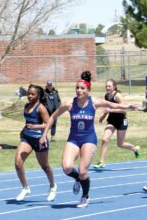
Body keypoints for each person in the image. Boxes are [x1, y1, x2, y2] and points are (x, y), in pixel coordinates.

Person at [39, 71, 138, 208]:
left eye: (82, 88)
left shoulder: (94, 102)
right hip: (73, 139)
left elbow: (112, 105)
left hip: (89, 139)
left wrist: (127, 107)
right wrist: (44, 134)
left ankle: (85, 196)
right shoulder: (69, 104)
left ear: (88, 90)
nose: (79, 91)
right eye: (77, 88)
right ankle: (79, 179)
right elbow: (53, 117)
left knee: (83, 170)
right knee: (67, 168)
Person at [15, 84, 57, 202]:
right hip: (27, 138)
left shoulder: (41, 108)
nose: (29, 96)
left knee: (45, 166)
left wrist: (35, 126)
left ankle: (53, 186)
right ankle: (25, 188)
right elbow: (28, 122)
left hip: (40, 139)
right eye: (28, 93)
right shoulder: (26, 106)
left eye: (32, 94)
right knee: (18, 164)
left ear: (38, 96)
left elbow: (48, 124)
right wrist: (23, 131)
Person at [93, 79, 141, 169]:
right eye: (106, 86)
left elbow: (124, 109)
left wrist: (111, 110)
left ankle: (135, 149)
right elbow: (108, 106)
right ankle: (101, 162)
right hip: (112, 120)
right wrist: (103, 116)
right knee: (104, 139)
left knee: (120, 144)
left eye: (109, 86)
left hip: (121, 120)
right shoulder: (107, 96)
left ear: (114, 87)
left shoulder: (118, 96)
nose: (107, 88)